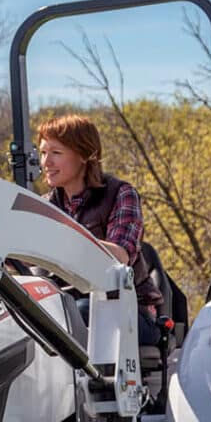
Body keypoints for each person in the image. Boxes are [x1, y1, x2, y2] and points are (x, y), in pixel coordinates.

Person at [37, 113, 162, 345]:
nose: (46, 162)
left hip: (129, 311)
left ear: (84, 154)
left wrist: (62, 238)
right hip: (66, 306)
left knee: (78, 312)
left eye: (56, 153)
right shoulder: (44, 207)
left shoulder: (121, 194)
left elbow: (119, 256)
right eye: (43, 153)